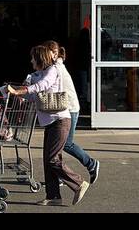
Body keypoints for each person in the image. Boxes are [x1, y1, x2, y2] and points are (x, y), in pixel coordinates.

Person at [5, 43, 89, 207]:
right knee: (48, 160)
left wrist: (19, 91)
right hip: (51, 123)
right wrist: (16, 93)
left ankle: (78, 183)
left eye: (32, 58)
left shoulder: (52, 71)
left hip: (60, 121)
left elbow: (40, 87)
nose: (31, 61)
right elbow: (38, 96)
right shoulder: (41, 73)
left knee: (52, 159)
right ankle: (53, 196)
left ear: (39, 59)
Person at [53, 42, 100, 184]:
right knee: (57, 143)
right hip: (65, 109)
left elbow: (47, 83)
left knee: (65, 143)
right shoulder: (55, 67)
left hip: (70, 109)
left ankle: (90, 163)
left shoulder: (57, 68)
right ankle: (59, 173)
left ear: (54, 54)